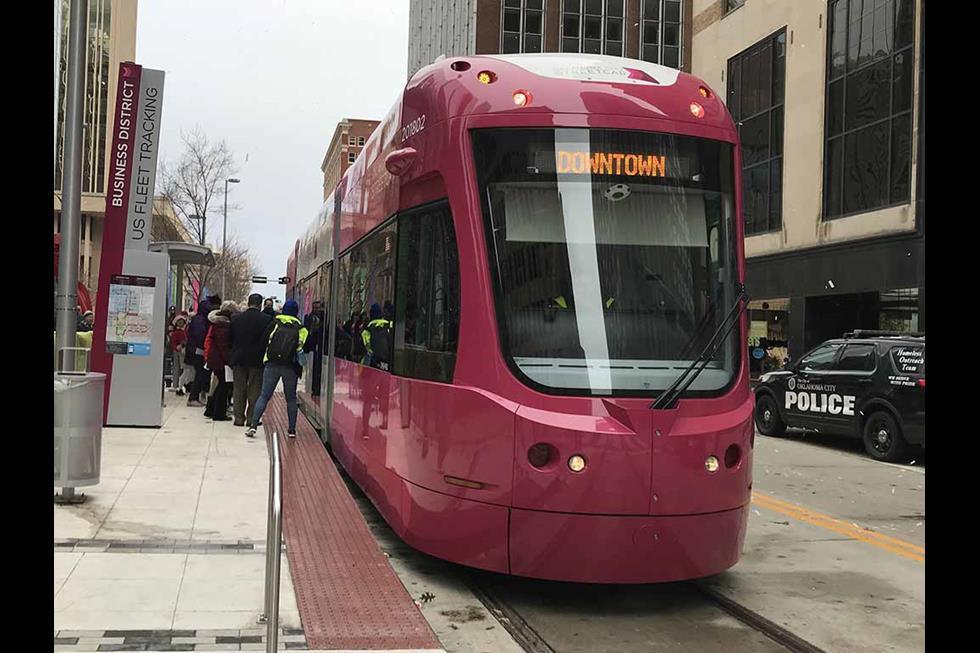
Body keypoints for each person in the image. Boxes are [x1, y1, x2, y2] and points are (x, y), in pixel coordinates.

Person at [247, 299, 308, 439]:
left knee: (264, 395)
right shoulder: (301, 328)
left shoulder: (274, 323)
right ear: (296, 312)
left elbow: (263, 342)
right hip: (290, 367)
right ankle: (291, 430)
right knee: (291, 399)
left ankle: (253, 426)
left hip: (271, 364)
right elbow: (302, 347)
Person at [230, 293, 273, 427]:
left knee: (238, 388)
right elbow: (267, 341)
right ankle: (251, 419)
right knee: (255, 390)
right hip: (257, 360)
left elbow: (230, 339)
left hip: (238, 358)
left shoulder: (236, 318)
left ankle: (238, 418)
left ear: (248, 303)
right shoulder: (267, 320)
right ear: (260, 305)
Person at [203, 300, 236, 421]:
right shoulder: (223, 324)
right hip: (220, 360)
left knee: (220, 384)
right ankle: (218, 413)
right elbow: (223, 346)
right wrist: (229, 361)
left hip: (214, 358)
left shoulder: (217, 323)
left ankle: (210, 409)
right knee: (224, 385)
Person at [186, 295, 220, 406]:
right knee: (200, 374)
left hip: (196, 349)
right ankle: (193, 398)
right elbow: (200, 335)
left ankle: (195, 396)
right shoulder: (201, 321)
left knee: (201, 374)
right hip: (198, 350)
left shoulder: (198, 319)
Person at [361, 303, 393, 371]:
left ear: (371, 315)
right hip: (388, 364)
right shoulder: (390, 325)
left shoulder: (367, 331)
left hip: (374, 365)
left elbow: (367, 349)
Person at [303, 300, 325, 396]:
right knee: (311, 369)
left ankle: (317, 388)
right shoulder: (308, 318)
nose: (316, 310)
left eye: (318, 308)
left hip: (322, 348)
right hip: (311, 347)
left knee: (319, 369)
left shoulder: (325, 319)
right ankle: (312, 388)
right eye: (314, 308)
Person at [170, 314, 189, 396]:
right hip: (182, 352)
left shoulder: (184, 331)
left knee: (188, 370)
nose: (181, 323)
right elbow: (173, 344)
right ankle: (180, 387)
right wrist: (179, 347)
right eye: (179, 322)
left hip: (186, 351)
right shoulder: (176, 333)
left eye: (182, 322)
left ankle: (183, 385)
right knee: (186, 369)